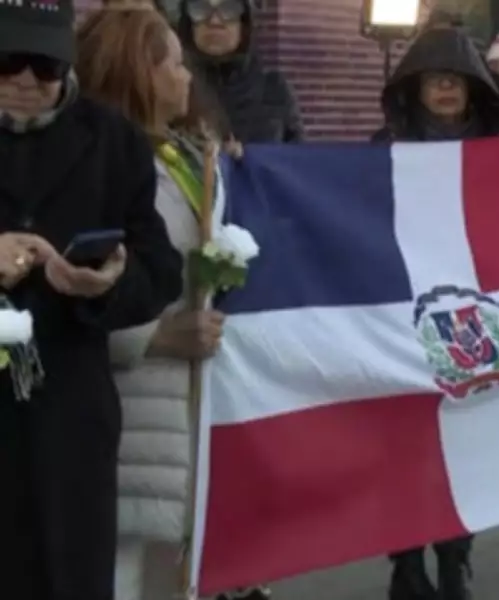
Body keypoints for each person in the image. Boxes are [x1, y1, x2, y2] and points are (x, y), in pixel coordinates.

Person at [0, 0, 184, 598]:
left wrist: (108, 286)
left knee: (68, 578)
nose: (24, 81)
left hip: (68, 415)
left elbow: (161, 269)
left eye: (43, 67)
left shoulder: (115, 142)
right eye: (6, 63)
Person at [75, 9, 249, 600]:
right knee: (117, 576)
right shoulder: (93, 167)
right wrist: (153, 336)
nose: (186, 78)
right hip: (130, 423)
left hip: (181, 415)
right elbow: (67, 293)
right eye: (173, 63)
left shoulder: (176, 157)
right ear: (139, 74)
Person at [371, 25, 499, 600]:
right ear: (414, 87)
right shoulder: (384, 148)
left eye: (457, 79)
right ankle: (405, 562)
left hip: (473, 317)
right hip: (404, 309)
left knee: (465, 450)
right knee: (405, 449)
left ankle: (456, 561)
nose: (447, 88)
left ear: (475, 87)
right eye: (435, 79)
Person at [175, 0, 304, 146]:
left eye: (229, 9)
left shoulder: (274, 90)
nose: (215, 21)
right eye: (199, 8)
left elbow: (297, 162)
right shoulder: (174, 88)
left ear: (244, 23)